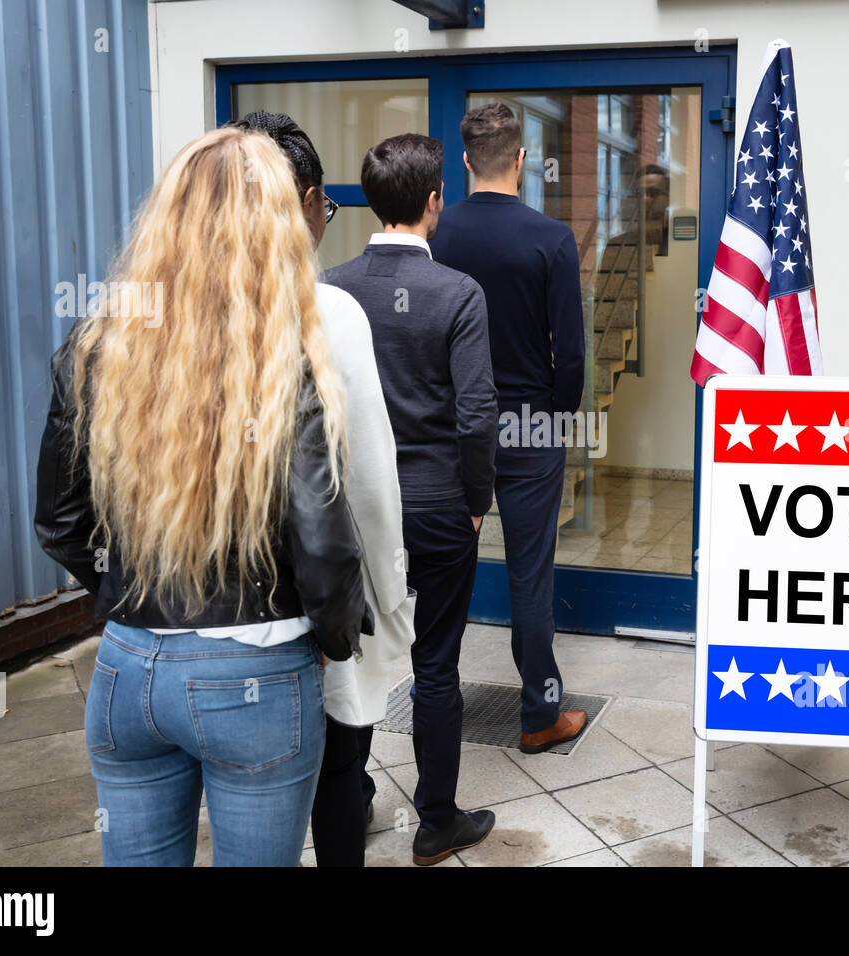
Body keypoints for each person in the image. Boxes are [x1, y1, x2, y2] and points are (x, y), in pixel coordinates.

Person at [34, 126, 368, 866]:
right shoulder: (286, 360)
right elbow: (325, 546)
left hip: (125, 672)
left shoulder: (96, 348)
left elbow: (59, 523)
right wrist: (335, 641)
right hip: (258, 672)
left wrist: (131, 590)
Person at [229, 111, 416, 868]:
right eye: (324, 208)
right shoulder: (327, 311)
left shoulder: (162, 311)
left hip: (189, 631)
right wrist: (390, 600)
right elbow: (367, 483)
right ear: (303, 200)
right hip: (308, 617)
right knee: (339, 776)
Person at [322, 133, 498, 865]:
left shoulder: (329, 288)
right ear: (433, 203)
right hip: (436, 507)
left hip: (354, 511)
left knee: (354, 656)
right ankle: (435, 821)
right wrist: (476, 498)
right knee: (437, 664)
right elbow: (478, 413)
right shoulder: (457, 293)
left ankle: (352, 802)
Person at [429, 102, 588, 754]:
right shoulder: (551, 239)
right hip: (529, 428)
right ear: (521, 160)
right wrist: (555, 419)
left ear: (466, 161)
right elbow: (571, 354)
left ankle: (432, 698)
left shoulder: (437, 235)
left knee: (439, 573)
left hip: (453, 427)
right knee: (530, 575)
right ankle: (538, 714)